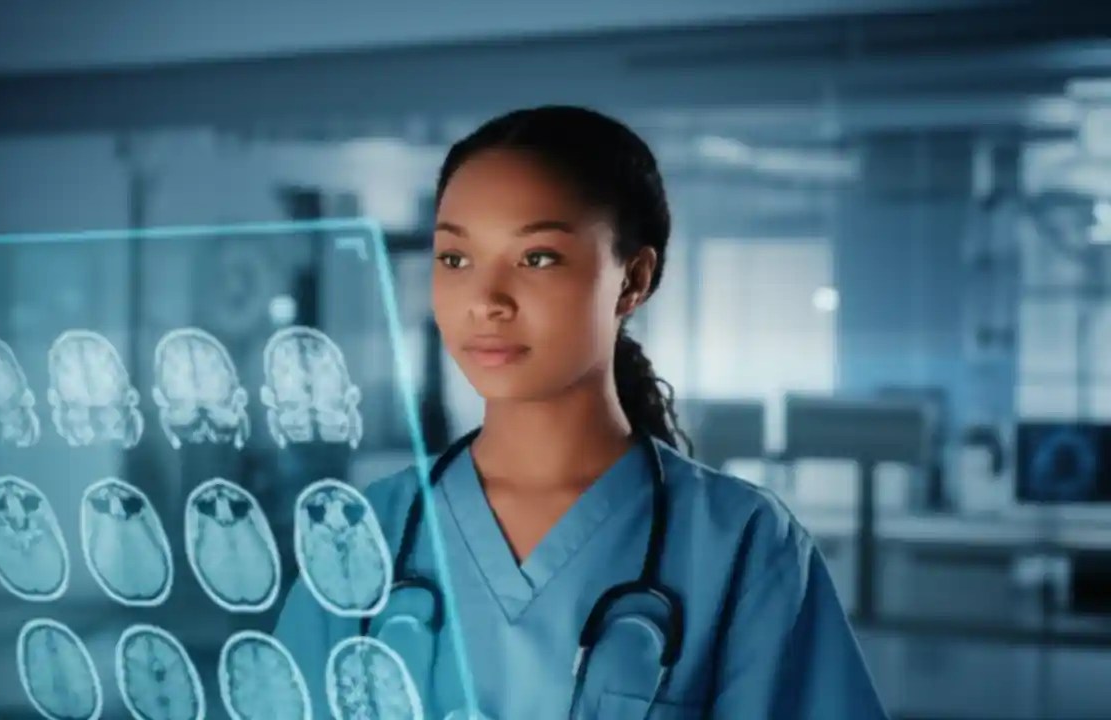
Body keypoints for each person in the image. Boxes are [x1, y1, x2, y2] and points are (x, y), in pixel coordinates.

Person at [273, 105, 890, 719]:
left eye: (537, 257)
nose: (485, 301)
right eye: (455, 259)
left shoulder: (742, 546)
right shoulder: (364, 536)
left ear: (633, 280)